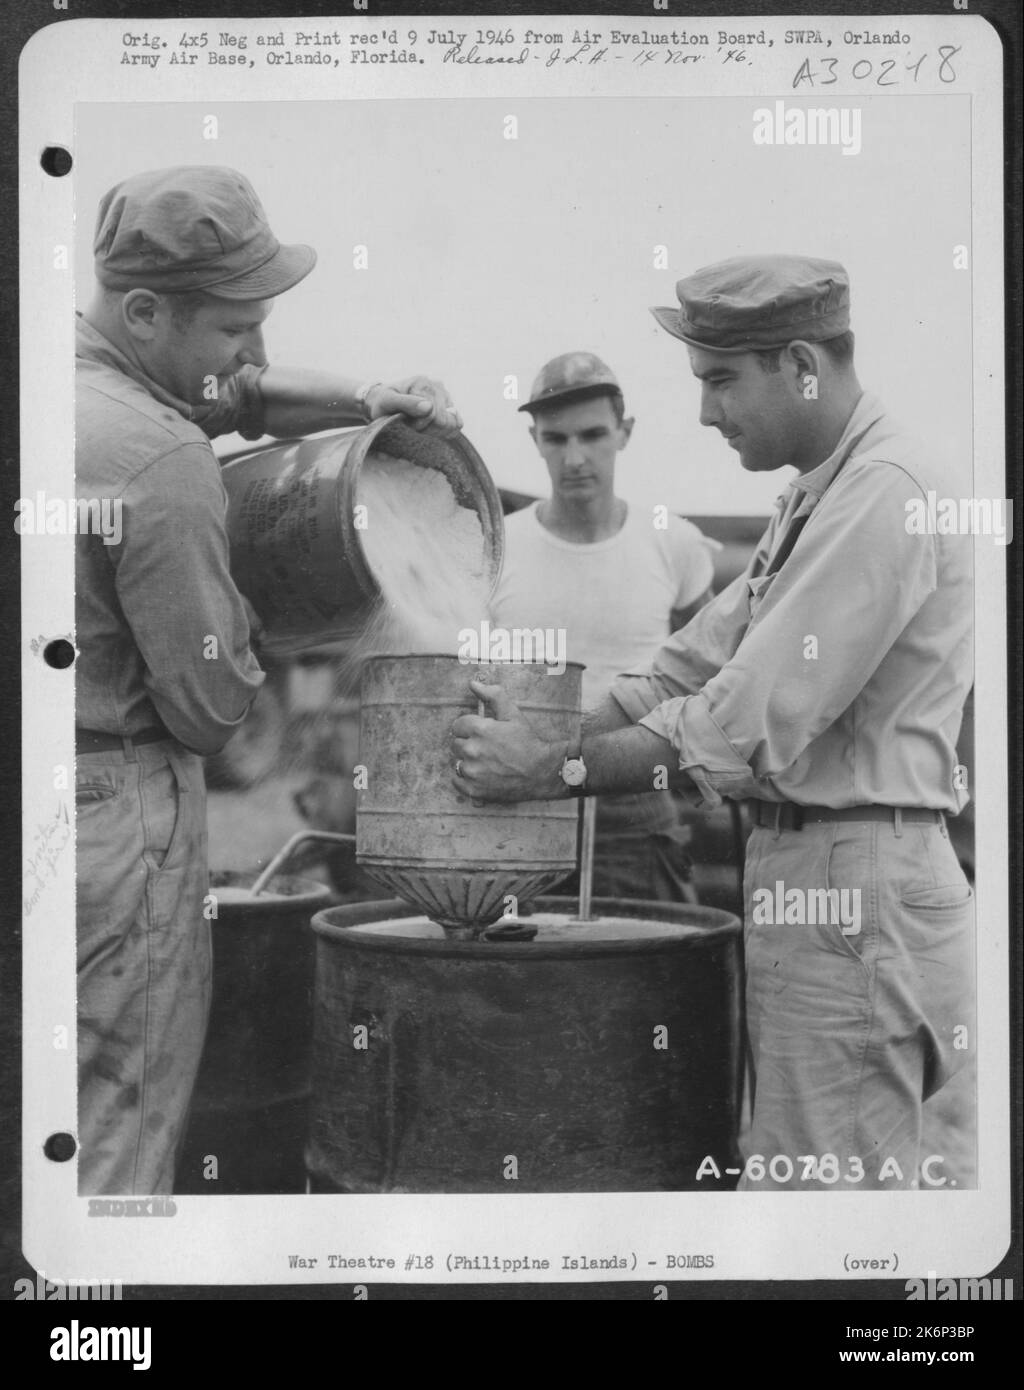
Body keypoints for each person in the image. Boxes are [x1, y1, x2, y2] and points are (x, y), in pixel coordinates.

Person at [452, 255, 975, 1191]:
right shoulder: (820, 493)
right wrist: (535, 728)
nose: (705, 413)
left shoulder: (885, 492)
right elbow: (680, 668)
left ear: (803, 364)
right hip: (820, 871)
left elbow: (732, 725)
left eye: (720, 380)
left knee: (823, 1203)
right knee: (803, 1177)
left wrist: (552, 770)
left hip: (855, 875)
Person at [75, 165, 461, 1195]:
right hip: (113, 810)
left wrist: (360, 399)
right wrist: (246, 612)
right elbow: (211, 714)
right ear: (148, 312)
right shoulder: (161, 460)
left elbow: (230, 394)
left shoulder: (65, 380)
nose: (259, 354)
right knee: (120, 1115)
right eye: (238, 326)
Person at [489, 351, 715, 903]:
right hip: (517, 801)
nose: (574, 458)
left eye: (592, 435)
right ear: (535, 439)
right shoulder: (495, 546)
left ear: (625, 432)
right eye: (555, 439)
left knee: (649, 970)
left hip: (634, 798)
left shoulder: (672, 542)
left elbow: (714, 665)